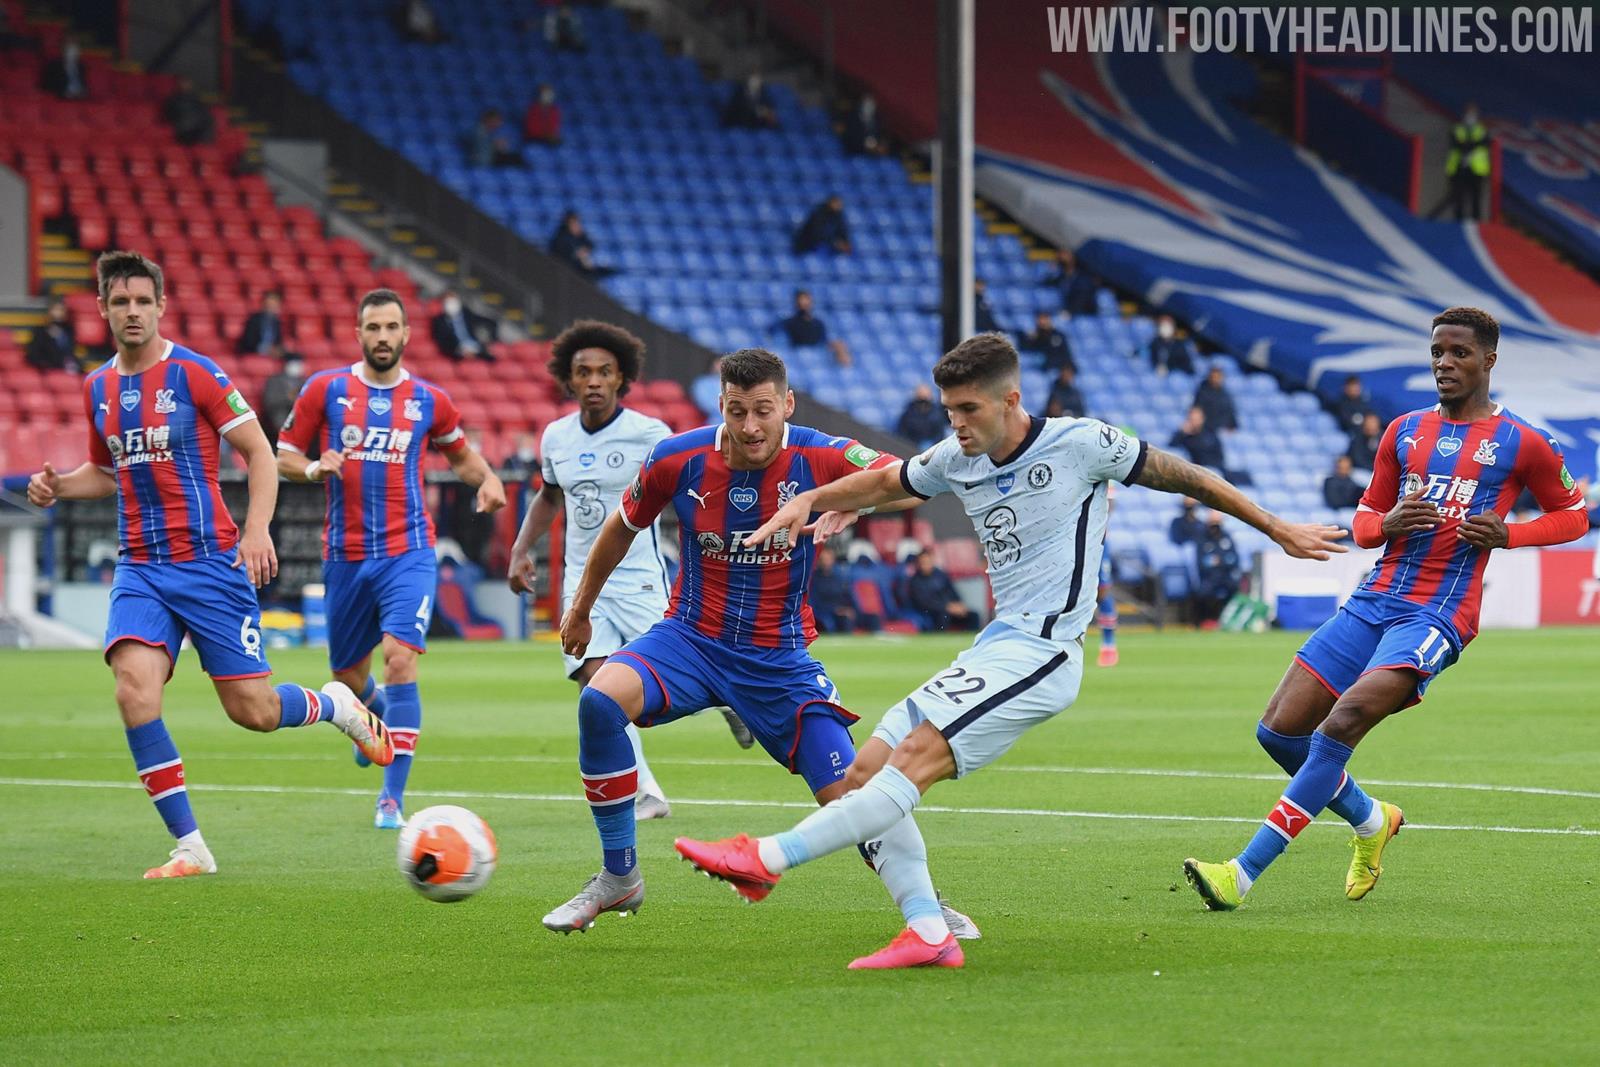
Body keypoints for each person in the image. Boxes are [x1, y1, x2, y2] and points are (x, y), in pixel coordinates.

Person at [673, 331, 1342, 968]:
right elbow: (888, 481)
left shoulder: (1083, 443)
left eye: (969, 409)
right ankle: (928, 928)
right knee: (861, 774)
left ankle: (764, 856)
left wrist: (1278, 527)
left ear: (1011, 400)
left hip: (1047, 650)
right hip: (997, 645)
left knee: (909, 763)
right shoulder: (956, 458)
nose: (958, 423)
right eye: (949, 410)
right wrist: (815, 499)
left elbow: (1186, 475)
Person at [544, 347, 978, 946]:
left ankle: (927, 910)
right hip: (691, 639)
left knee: (854, 792)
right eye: (736, 410)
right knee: (598, 700)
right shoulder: (678, 457)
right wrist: (581, 609)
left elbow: (909, 482)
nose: (749, 426)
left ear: (788, 405)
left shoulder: (819, 453)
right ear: (720, 404)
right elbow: (620, 527)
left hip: (779, 659)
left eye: (763, 411)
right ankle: (619, 875)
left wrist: (849, 500)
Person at [1182, 306, 1588, 912]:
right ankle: (1372, 820)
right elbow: (1365, 520)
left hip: (1439, 613)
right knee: (1278, 731)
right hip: (1374, 598)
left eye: (1459, 354)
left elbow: (1574, 515)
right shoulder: (1403, 431)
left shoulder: (1523, 441)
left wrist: (1510, 534)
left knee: (1339, 726)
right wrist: (1387, 522)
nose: (1445, 364)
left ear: (1489, 361)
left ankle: (1239, 876)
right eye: (1437, 353)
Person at [25, 251, 393, 878]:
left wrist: (256, 532)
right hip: (139, 566)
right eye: (120, 302)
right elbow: (107, 473)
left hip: (208, 563)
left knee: (253, 712)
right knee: (132, 690)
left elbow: (260, 453)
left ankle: (336, 705)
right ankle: (190, 845)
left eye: (143, 301)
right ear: (102, 309)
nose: (133, 312)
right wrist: (59, 484)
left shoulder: (195, 374)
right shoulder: (97, 388)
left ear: (162, 305)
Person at [276, 288, 507, 829]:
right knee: (347, 674)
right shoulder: (326, 390)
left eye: (391, 327)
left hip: (409, 551)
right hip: (346, 555)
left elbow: (461, 455)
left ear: (406, 334)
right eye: (373, 328)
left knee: (400, 658)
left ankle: (391, 798)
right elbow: (282, 454)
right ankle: (371, 718)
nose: (382, 337)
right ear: (359, 334)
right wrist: (313, 468)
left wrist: (489, 478)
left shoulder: (429, 399)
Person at [508, 321, 754, 822]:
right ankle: (646, 793)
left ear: (622, 378)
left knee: (678, 670)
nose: (594, 381)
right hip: (582, 579)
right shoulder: (555, 437)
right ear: (569, 380)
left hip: (639, 574)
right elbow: (550, 495)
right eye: (583, 373)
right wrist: (519, 548)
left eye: (604, 372)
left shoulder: (649, 434)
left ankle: (730, 699)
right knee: (595, 681)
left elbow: (688, 493)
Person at [776, 290, 850, 366]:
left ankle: (846, 371)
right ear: (796, 303)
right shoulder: (789, 322)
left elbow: (823, 341)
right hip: (797, 355)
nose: (804, 303)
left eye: (806, 300)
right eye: (801, 300)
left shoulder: (818, 323)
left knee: (840, 346)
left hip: (818, 354)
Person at [905, 550, 973, 632]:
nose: (925, 565)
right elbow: (923, 603)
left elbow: (952, 591)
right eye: (923, 562)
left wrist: (959, 604)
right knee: (943, 615)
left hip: (949, 608)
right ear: (918, 564)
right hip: (933, 611)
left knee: (973, 616)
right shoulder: (915, 581)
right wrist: (946, 607)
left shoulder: (940, 575)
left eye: (928, 562)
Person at [1446, 103, 1490, 223]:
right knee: (1459, 198)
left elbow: (1484, 143)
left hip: (1477, 170)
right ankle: (1458, 224)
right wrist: (1470, 146)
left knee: (1476, 198)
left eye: (1473, 113)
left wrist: (1468, 147)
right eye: (1468, 113)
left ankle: (1476, 224)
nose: (1470, 116)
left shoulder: (1481, 130)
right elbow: (1456, 143)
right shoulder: (1457, 129)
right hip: (1458, 168)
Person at [1194, 511, 1240, 623]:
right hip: (1209, 576)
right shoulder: (1202, 538)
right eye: (1213, 523)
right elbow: (1201, 562)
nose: (1215, 527)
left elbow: (1234, 559)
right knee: (1204, 592)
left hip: (1225, 574)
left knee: (1235, 588)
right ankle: (1204, 621)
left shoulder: (1227, 537)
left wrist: (1220, 561)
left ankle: (1229, 621)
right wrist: (1216, 562)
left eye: (1217, 523)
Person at [429, 290, 496, 362]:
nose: (451, 303)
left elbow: (487, 322)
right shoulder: (439, 321)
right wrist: (459, 349)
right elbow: (442, 341)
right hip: (456, 351)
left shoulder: (466, 313)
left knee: (492, 359)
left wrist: (489, 340)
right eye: (448, 300)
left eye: (453, 299)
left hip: (475, 347)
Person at [258, 347, 305, 444]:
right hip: (279, 414)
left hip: (298, 414)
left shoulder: (303, 381)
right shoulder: (274, 381)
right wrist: (289, 399)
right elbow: (270, 402)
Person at [809, 544, 856, 633]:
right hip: (822, 612)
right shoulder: (813, 578)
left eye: (828, 559)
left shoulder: (840, 577)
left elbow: (847, 595)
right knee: (828, 624)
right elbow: (813, 601)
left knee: (846, 620)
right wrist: (833, 609)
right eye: (823, 559)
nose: (826, 562)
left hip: (839, 610)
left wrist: (848, 608)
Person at [549, 211, 609, 277]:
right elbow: (564, 255)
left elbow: (590, 245)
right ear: (568, 223)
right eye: (574, 223)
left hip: (580, 271)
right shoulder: (561, 238)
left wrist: (584, 252)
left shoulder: (580, 236)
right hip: (567, 271)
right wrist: (579, 254)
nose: (578, 225)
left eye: (578, 223)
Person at [26, 297, 78, 372]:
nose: (59, 313)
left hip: (64, 367)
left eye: (62, 310)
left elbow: (70, 351)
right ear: (49, 311)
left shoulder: (69, 330)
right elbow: (33, 354)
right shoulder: (40, 330)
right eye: (56, 310)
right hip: (46, 368)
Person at [1042, 248, 1097, 316]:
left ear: (1073, 256)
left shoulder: (1084, 279)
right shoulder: (1059, 277)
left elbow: (1082, 300)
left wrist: (1069, 312)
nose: (1060, 256)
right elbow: (1044, 288)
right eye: (1059, 253)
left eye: (1065, 253)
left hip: (1080, 315)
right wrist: (1051, 273)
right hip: (1060, 312)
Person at [162, 79, 214, 146]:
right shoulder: (173, 99)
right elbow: (170, 115)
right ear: (179, 85)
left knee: (207, 119)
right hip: (183, 128)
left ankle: (204, 145)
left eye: (188, 83)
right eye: (184, 83)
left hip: (197, 126)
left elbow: (203, 111)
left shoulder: (195, 98)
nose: (187, 85)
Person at [1170, 406, 1224, 470]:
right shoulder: (1184, 435)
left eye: (1196, 419)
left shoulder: (1209, 435)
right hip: (1190, 468)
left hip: (1208, 469)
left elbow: (1218, 457)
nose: (1193, 422)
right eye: (1191, 419)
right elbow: (1172, 448)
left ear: (1202, 419)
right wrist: (1181, 433)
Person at [895, 384, 946, 451]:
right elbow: (902, 433)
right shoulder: (908, 414)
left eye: (925, 399)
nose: (923, 404)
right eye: (920, 399)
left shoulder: (936, 414)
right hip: (910, 446)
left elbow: (939, 434)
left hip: (932, 448)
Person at [236, 291, 283, 356]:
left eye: (274, 305)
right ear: (263, 304)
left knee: (293, 356)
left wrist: (277, 349)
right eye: (269, 304)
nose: (271, 307)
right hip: (254, 352)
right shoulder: (253, 320)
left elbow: (278, 342)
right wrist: (265, 349)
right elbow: (248, 343)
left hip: (272, 353)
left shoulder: (276, 322)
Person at [41, 35, 88, 100]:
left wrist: (83, 92)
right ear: (63, 50)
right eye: (70, 48)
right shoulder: (53, 66)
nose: (73, 52)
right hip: (62, 99)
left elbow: (84, 84)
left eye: (76, 49)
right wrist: (64, 93)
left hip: (80, 99)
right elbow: (46, 86)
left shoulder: (81, 66)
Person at [1193, 365, 1238, 431]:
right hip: (1206, 429)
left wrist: (1232, 426)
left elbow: (1230, 412)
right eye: (1214, 377)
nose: (1216, 379)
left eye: (1218, 377)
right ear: (1209, 377)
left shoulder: (1225, 394)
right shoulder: (1202, 393)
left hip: (1223, 428)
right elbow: (1197, 412)